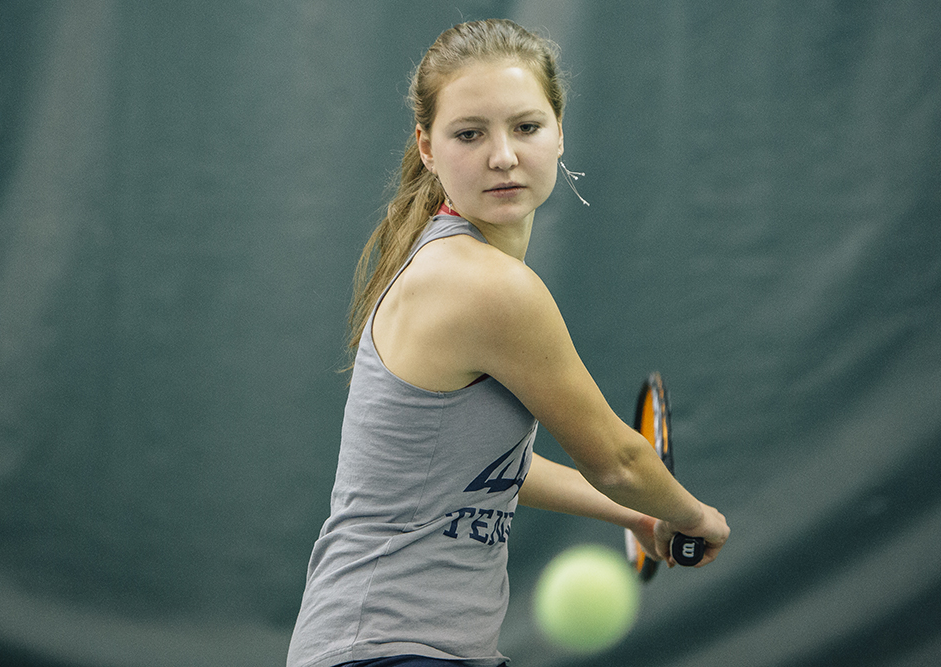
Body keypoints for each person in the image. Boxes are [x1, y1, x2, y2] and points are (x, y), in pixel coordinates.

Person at [287, 18, 729, 667]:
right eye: (470, 133)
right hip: (384, 650)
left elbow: (484, 466)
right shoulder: (485, 286)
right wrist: (695, 516)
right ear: (428, 147)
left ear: (558, 132)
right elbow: (620, 460)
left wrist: (634, 515)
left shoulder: (451, 267)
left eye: (526, 126)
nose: (503, 155)